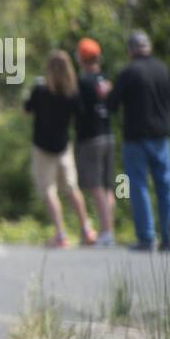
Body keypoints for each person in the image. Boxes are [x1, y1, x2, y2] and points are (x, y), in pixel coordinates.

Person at [108, 30, 170, 251]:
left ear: (131, 50)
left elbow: (112, 105)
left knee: (138, 186)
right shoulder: (163, 69)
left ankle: (146, 239)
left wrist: (107, 93)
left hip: (135, 138)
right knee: (165, 187)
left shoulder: (129, 72)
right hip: (161, 137)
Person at [24, 52, 96, 248]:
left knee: (49, 190)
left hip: (42, 147)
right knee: (72, 188)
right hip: (63, 146)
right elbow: (81, 114)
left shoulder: (40, 89)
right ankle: (86, 230)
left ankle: (61, 234)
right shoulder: (72, 93)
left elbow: (26, 110)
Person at [73, 38, 116, 246]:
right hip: (108, 135)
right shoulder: (104, 79)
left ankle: (106, 232)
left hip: (91, 138)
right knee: (108, 188)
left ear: (81, 58)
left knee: (95, 187)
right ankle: (108, 231)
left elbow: (76, 108)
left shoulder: (84, 82)